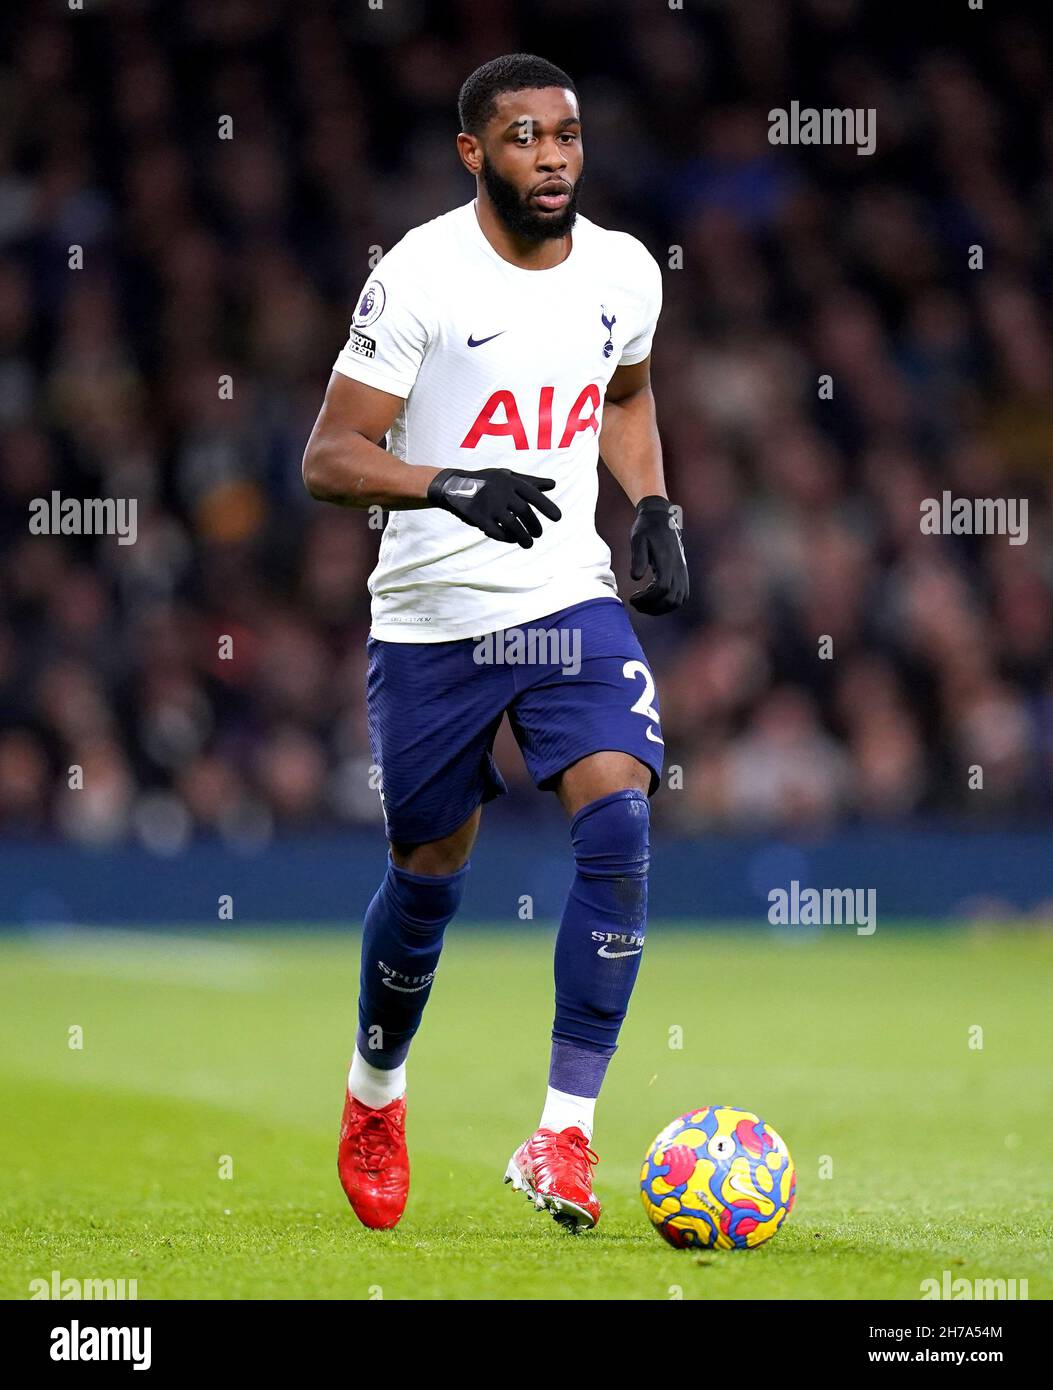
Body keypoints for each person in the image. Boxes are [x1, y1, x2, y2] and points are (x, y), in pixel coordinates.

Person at [302, 52, 688, 1233]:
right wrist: (446, 484)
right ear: (475, 153)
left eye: (567, 133)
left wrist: (656, 507)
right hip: (433, 620)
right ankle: (377, 1090)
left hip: (567, 596)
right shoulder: (420, 275)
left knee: (621, 817)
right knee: (428, 881)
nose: (555, 155)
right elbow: (328, 456)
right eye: (525, 136)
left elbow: (625, 397)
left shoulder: (624, 271)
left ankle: (563, 1137)